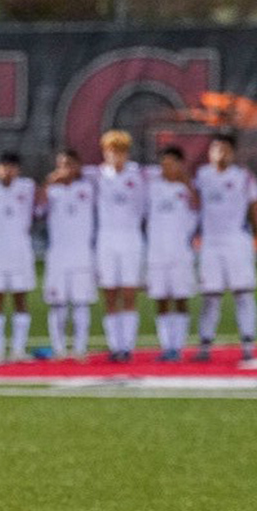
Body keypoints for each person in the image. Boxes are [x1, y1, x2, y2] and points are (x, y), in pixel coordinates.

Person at [193, 133, 257, 361]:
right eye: (216, 148)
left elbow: (256, 209)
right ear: (209, 152)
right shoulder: (201, 176)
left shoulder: (243, 177)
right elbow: (194, 205)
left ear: (233, 152)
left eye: (225, 149)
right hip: (211, 243)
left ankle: (247, 344)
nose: (220, 153)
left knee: (243, 292)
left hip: (236, 241)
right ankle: (205, 345)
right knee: (210, 295)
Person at [92, 129, 148, 363]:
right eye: (111, 151)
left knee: (129, 293)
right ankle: (115, 345)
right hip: (106, 238)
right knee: (110, 293)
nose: (115, 156)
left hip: (131, 237)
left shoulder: (139, 175)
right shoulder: (96, 176)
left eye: (120, 151)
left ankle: (128, 346)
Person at [0, 152, 38, 361]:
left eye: (11, 167)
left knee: (20, 298)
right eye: (3, 166)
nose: (7, 171)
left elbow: (38, 207)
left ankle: (18, 349)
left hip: (21, 249)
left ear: (18, 169)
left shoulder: (27, 187)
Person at [145, 145, 199, 361]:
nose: (167, 168)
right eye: (164, 164)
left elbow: (198, 210)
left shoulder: (187, 188)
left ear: (180, 165)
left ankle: (179, 344)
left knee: (181, 298)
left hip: (180, 251)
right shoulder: (153, 187)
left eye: (171, 164)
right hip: (157, 251)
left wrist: (187, 184)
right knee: (161, 299)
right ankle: (166, 344)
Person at [42, 149, 96, 361]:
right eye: (61, 164)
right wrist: (48, 184)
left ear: (78, 165)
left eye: (70, 164)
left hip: (82, 253)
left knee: (81, 303)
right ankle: (59, 349)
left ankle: (80, 348)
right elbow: (35, 210)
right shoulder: (52, 190)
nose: (65, 169)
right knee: (58, 304)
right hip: (57, 254)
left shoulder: (89, 187)